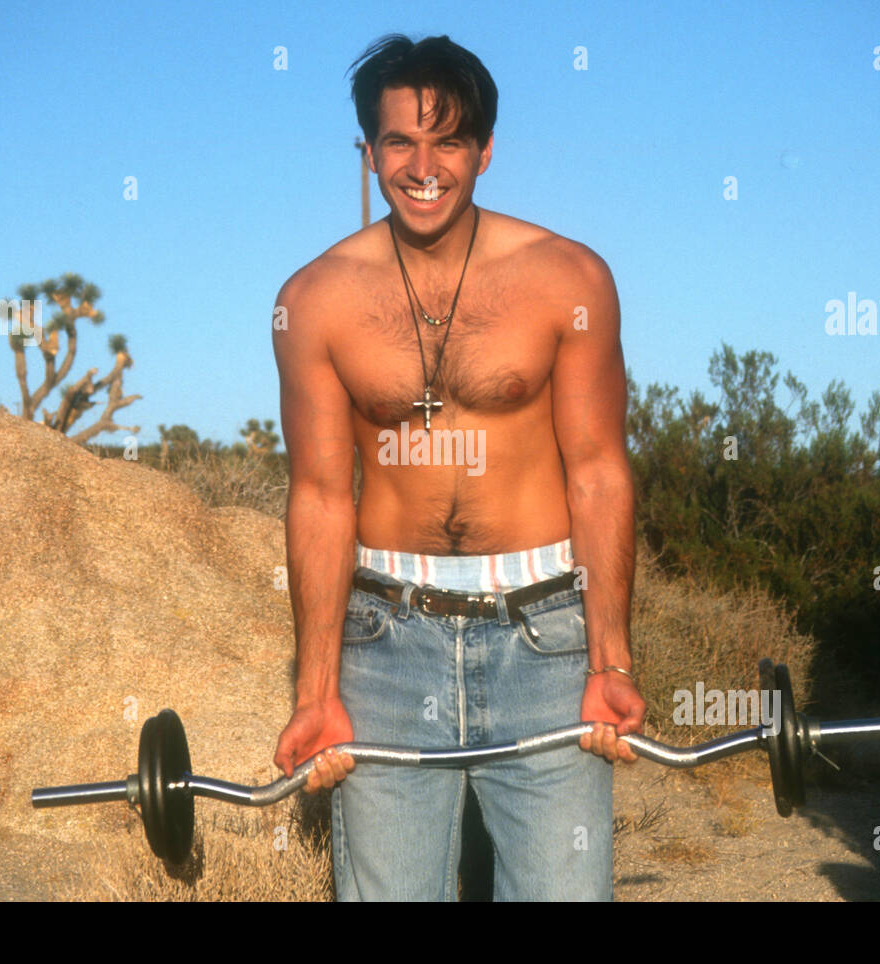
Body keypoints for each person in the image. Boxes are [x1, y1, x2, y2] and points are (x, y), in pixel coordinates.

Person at [271, 33, 646, 901]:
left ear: (484, 150)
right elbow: (323, 497)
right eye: (399, 141)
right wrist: (317, 689)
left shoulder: (569, 278)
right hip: (387, 642)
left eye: (447, 141)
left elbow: (597, 472)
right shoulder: (313, 300)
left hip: (545, 637)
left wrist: (610, 662)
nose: (423, 165)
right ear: (367, 152)